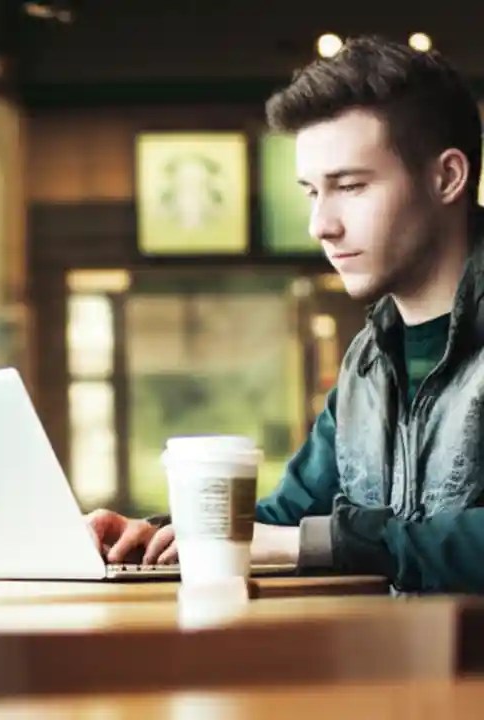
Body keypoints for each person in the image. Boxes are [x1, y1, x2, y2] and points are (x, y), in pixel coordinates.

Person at [87, 35, 484, 593]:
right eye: (311, 193)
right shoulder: (368, 361)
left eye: (349, 187)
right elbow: (282, 517)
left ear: (447, 178)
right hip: (393, 672)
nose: (321, 225)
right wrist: (152, 537)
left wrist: (320, 543)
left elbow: (299, 537)